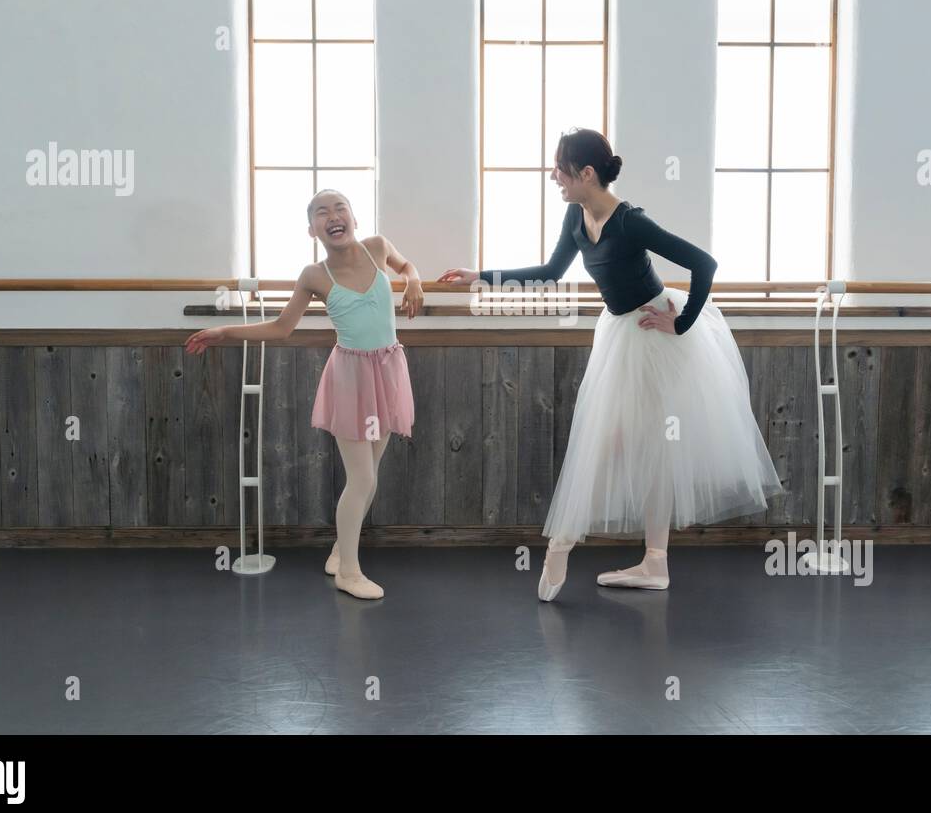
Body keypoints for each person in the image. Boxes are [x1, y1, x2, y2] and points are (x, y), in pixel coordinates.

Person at [440, 128, 784, 601]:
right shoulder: (576, 217)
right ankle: (651, 561)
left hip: (654, 340)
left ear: (586, 173)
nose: (553, 176)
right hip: (620, 333)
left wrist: (681, 323)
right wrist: (480, 276)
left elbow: (705, 263)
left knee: (617, 442)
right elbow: (549, 273)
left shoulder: (630, 222)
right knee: (632, 445)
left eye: (560, 169)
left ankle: (567, 547)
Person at [186, 189, 420, 599]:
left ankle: (339, 552)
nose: (332, 216)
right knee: (362, 478)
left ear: (353, 217)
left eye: (340, 208)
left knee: (370, 478)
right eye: (321, 213)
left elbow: (406, 265)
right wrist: (225, 332)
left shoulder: (377, 248)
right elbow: (280, 327)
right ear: (312, 228)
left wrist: (414, 280)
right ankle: (349, 572)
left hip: (387, 371)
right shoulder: (314, 275)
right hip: (350, 377)